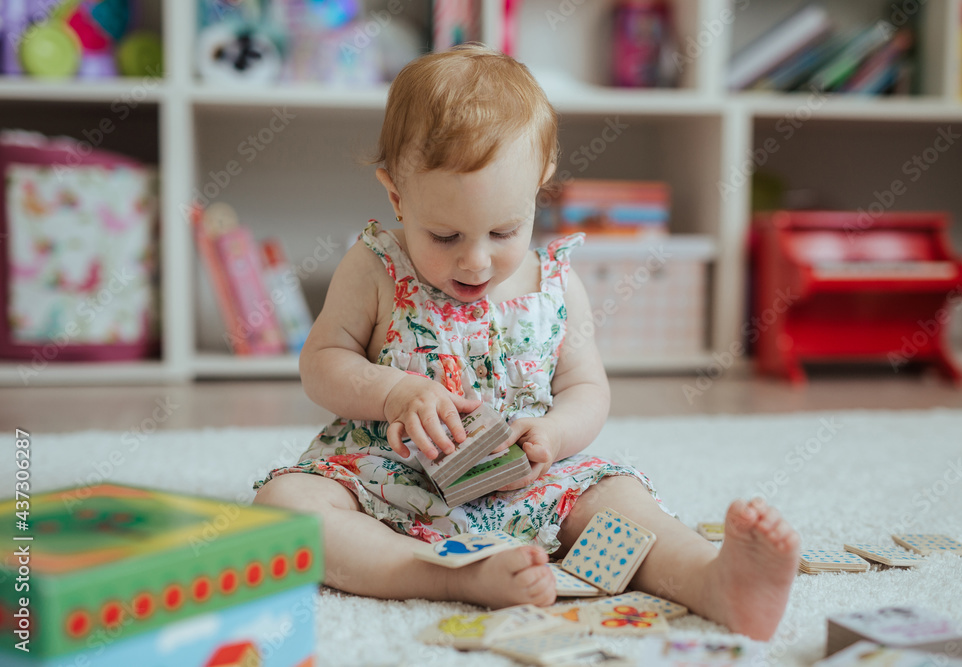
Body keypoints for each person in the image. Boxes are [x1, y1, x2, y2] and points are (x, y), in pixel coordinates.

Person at [253, 44, 800, 641]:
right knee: (287, 505)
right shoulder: (375, 267)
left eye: (504, 230)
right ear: (396, 197)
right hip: (386, 479)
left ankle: (710, 581)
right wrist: (394, 392)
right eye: (444, 234)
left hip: (533, 484)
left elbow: (585, 387)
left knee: (617, 500)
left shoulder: (555, 283)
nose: (476, 259)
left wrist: (556, 434)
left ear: (540, 188)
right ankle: (442, 577)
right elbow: (322, 362)